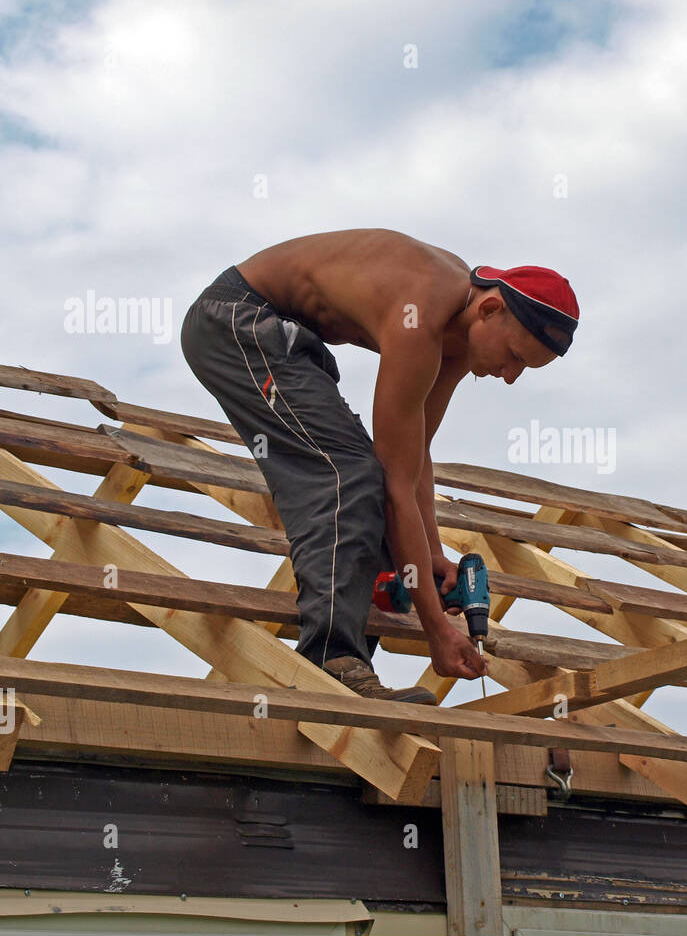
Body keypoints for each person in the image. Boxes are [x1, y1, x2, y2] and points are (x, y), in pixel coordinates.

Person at [180, 229, 579, 702]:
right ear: (490, 310)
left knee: (370, 487)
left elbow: (415, 462)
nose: (510, 378)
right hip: (235, 320)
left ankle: (351, 666)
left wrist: (430, 552)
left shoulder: (456, 340)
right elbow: (393, 483)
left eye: (524, 370)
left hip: (286, 337)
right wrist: (436, 629)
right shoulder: (423, 315)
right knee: (346, 475)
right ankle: (331, 661)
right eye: (514, 357)